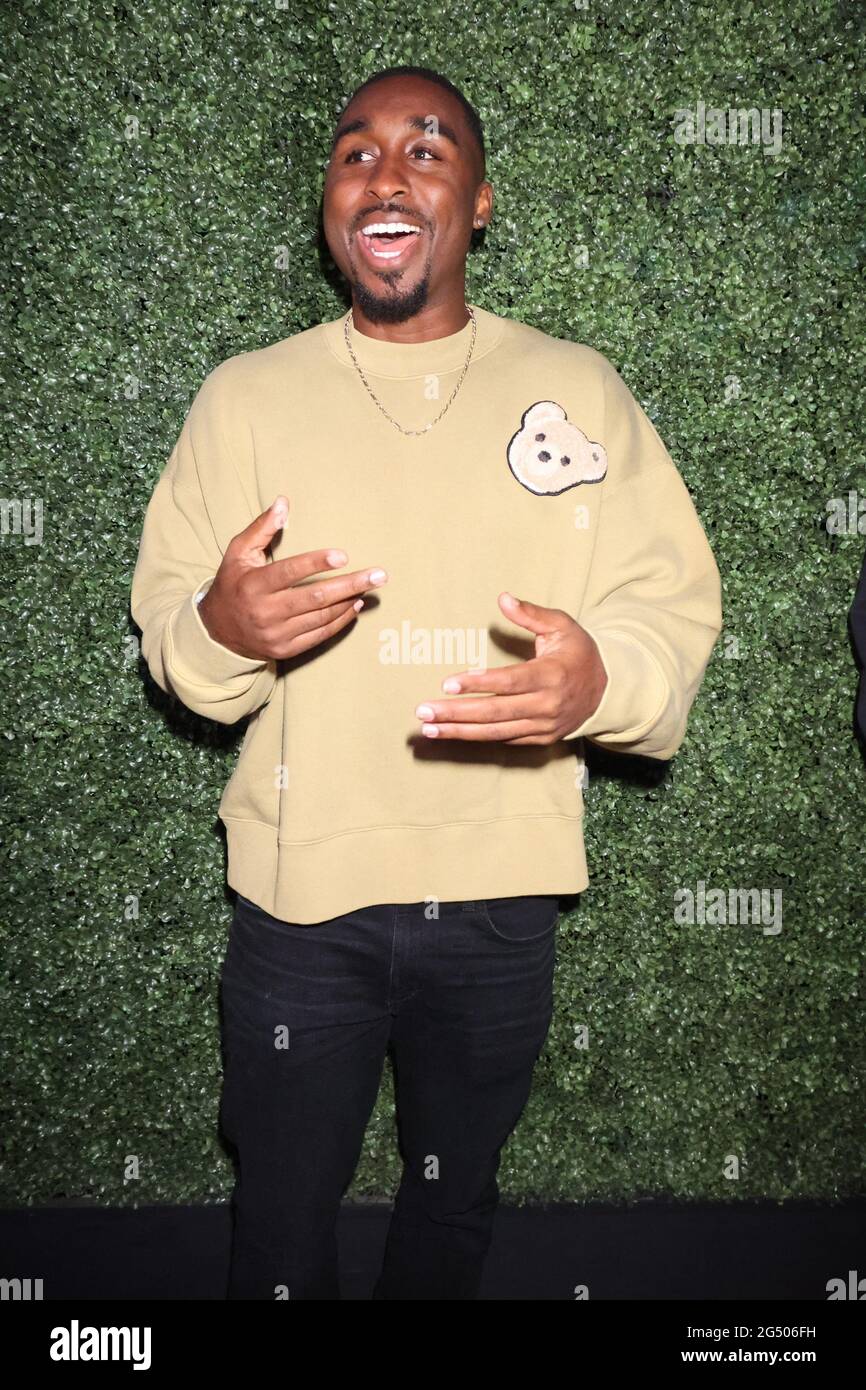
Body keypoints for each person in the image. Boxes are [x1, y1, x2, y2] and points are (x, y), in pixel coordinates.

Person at [130, 64, 723, 1300]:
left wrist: (599, 679)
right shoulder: (243, 397)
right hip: (299, 910)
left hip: (500, 899)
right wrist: (222, 624)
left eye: (425, 147)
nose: (384, 173)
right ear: (328, 202)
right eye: (353, 153)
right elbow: (185, 657)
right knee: (281, 1224)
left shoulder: (580, 387)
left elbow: (664, 606)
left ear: (480, 201)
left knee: (451, 1216)